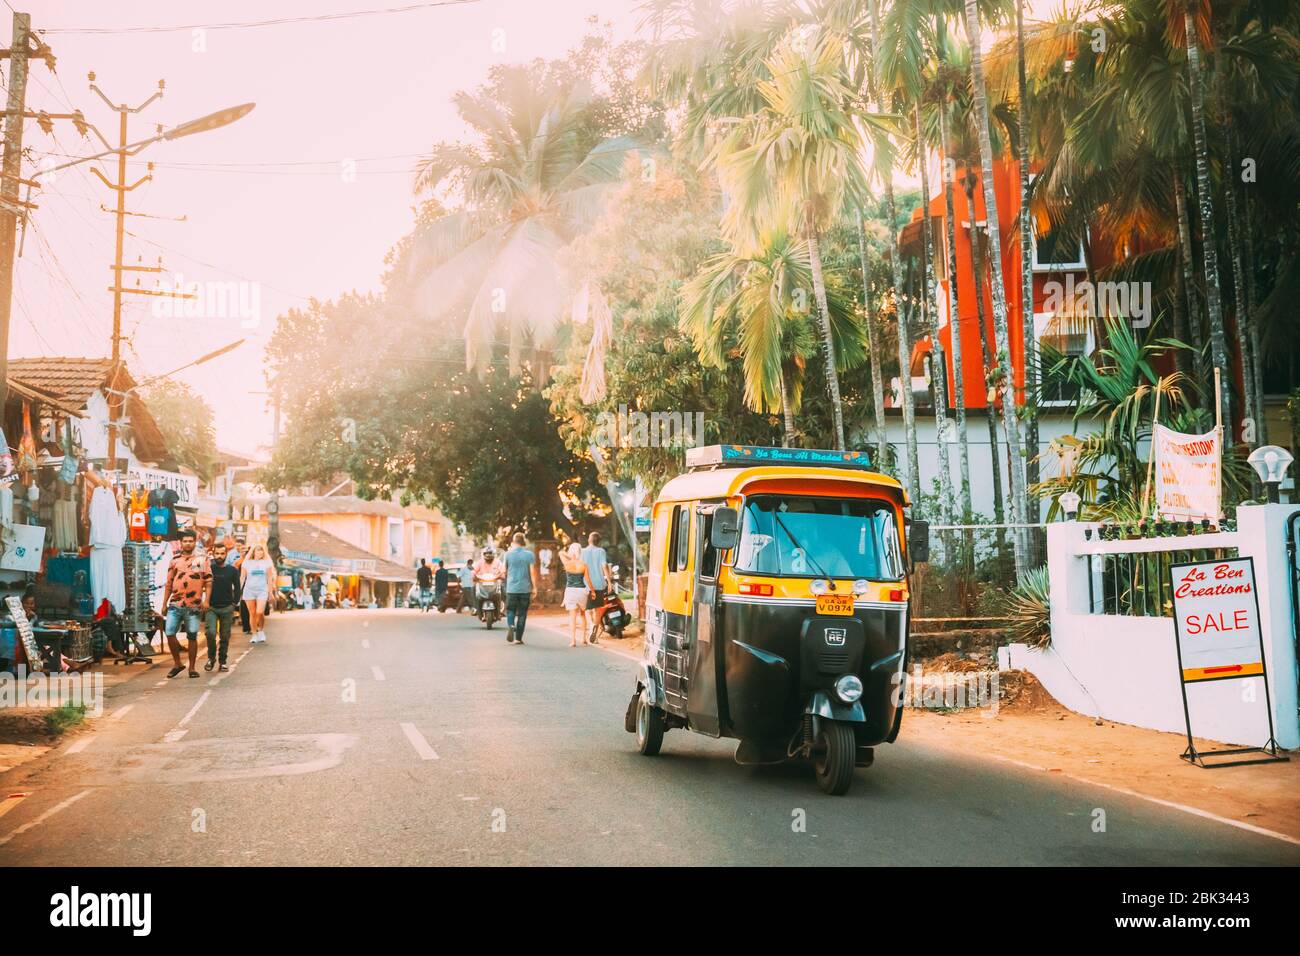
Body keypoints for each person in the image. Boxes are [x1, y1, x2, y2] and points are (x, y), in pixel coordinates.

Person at [162, 528, 211, 679]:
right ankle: (177, 664)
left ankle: (192, 668)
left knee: (192, 636)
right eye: (185, 541)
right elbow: (169, 583)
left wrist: (206, 600)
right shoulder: (175, 560)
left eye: (190, 541)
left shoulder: (199, 560)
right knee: (169, 632)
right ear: (181, 543)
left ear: (194, 542)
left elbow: (208, 581)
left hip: (193, 605)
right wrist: (164, 604)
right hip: (175, 603)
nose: (188, 544)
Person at [205, 540, 240, 672]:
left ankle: (223, 661)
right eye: (217, 553)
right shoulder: (209, 568)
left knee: (225, 636)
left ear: (226, 554)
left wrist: (234, 603)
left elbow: (237, 587)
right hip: (211, 607)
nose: (219, 556)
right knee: (210, 633)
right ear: (213, 554)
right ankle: (210, 659)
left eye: (222, 553)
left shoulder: (232, 570)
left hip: (227, 607)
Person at [502, 533, 537, 645]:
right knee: (522, 613)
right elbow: (532, 572)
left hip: (511, 588)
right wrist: (535, 587)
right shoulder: (529, 555)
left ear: (513, 541)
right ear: (523, 541)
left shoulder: (507, 554)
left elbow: (504, 571)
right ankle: (518, 638)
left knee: (510, 610)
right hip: (525, 589)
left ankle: (511, 625)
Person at [559, 542, 593, 647]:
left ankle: (573, 640)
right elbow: (587, 580)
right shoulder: (583, 565)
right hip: (581, 591)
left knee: (572, 617)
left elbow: (560, 552)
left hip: (570, 591)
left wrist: (571, 556)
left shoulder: (567, 564)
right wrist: (593, 591)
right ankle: (583, 639)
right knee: (583, 615)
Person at [241, 544, 275, 644]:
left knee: (259, 612)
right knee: (252, 613)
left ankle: (260, 630)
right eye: (258, 550)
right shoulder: (246, 563)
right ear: (253, 552)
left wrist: (270, 592)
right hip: (249, 590)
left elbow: (269, 578)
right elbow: (242, 578)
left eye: (261, 550)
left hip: (262, 591)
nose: (260, 552)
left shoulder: (267, 563)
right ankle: (254, 634)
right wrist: (238, 590)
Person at [581, 532, 610, 642]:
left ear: (589, 540)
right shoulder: (601, 551)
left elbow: (581, 567)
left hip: (586, 584)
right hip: (599, 584)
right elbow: (604, 566)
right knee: (598, 610)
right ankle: (595, 632)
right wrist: (610, 582)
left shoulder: (583, 552)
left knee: (588, 609)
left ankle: (591, 626)